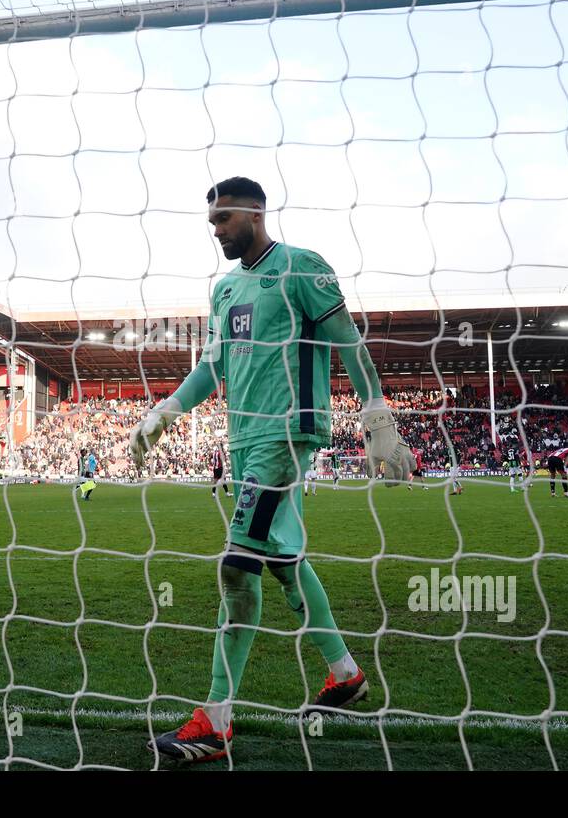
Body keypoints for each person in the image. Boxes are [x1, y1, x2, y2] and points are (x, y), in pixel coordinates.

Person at [128, 176, 415, 764]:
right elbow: (214, 366)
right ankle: (345, 674)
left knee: (237, 568)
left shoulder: (302, 267)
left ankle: (215, 719)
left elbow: (348, 341)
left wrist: (376, 410)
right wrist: (166, 410)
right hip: (243, 441)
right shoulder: (225, 291)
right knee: (285, 564)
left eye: (222, 221)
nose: (215, 232)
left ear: (254, 212)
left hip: (287, 434)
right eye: (210, 223)